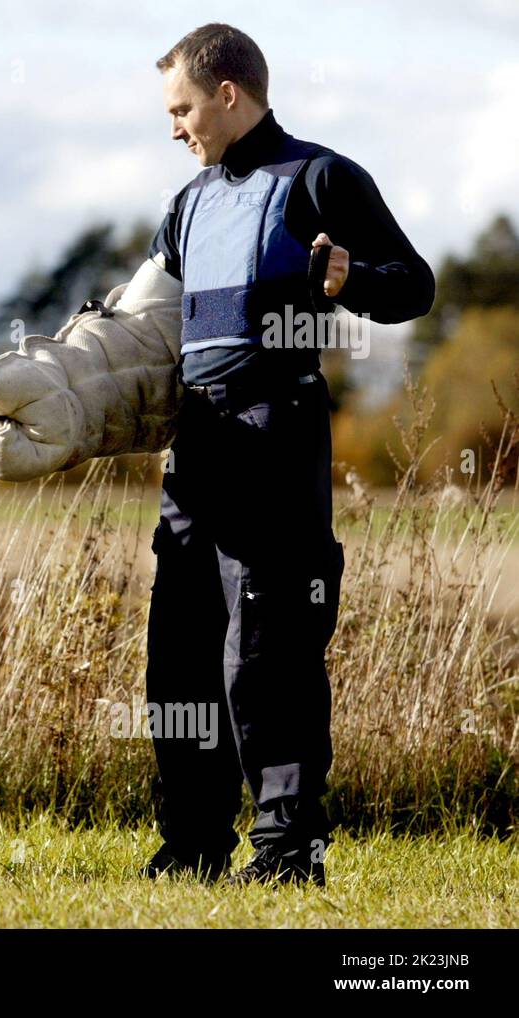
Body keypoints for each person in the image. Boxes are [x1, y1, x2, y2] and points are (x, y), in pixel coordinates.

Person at [140, 23, 435, 886]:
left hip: (277, 432)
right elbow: (140, 311)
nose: (175, 128)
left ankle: (284, 850)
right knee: (181, 648)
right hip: (198, 446)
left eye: (182, 108)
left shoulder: (319, 177)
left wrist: (350, 280)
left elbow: (414, 284)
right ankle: (193, 843)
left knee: (267, 647)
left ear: (228, 94)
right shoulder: (188, 205)